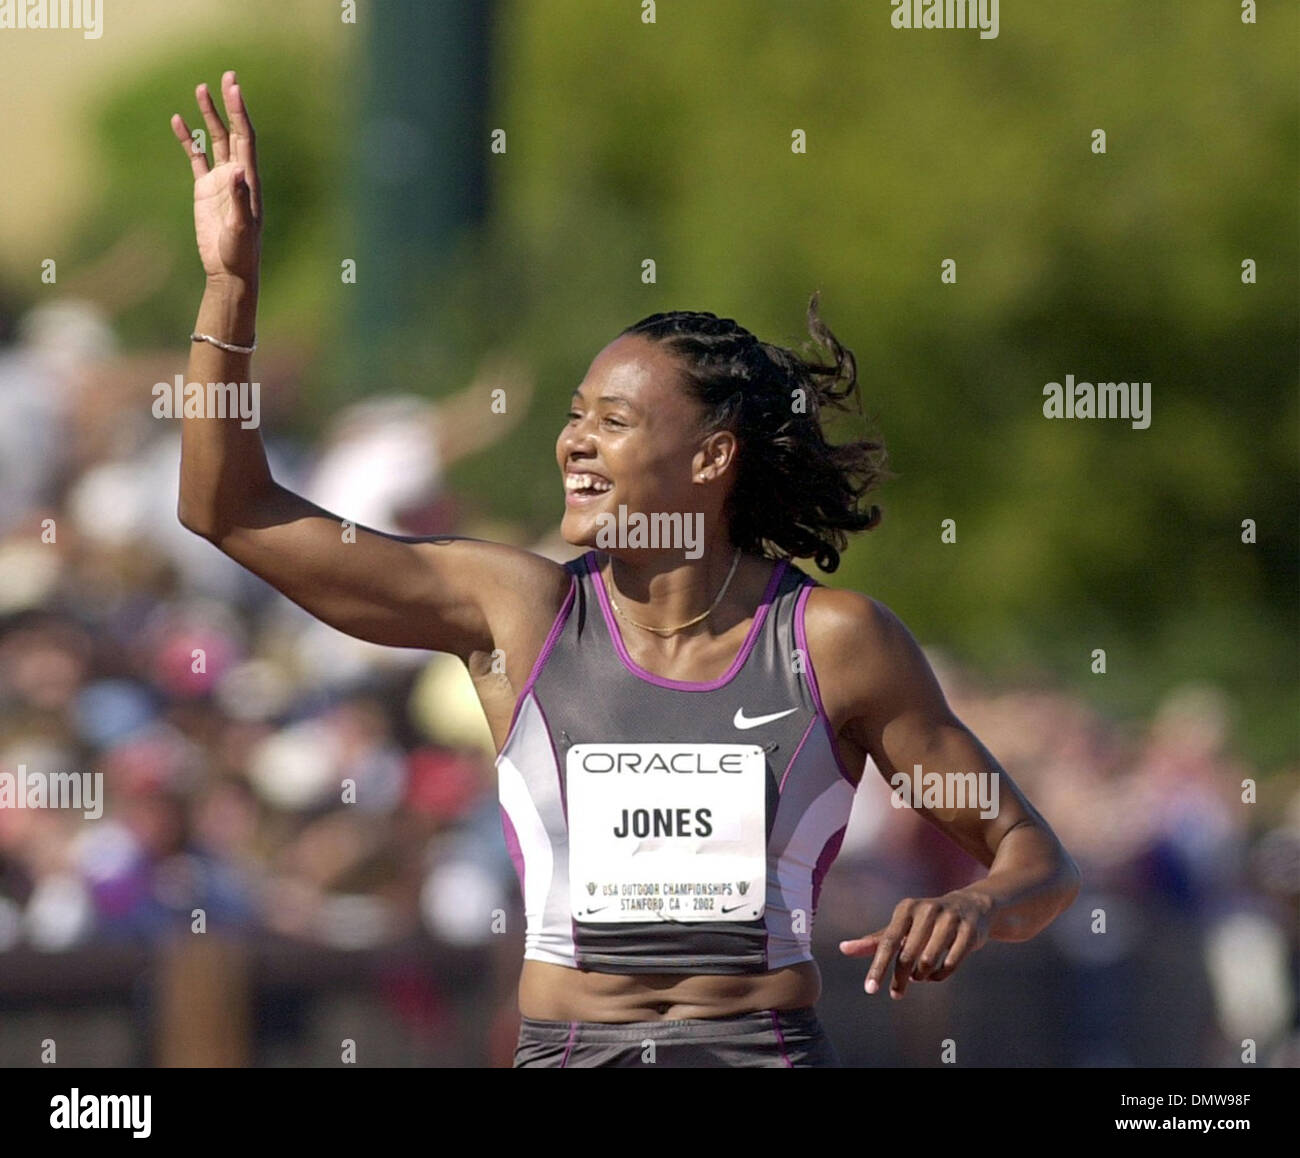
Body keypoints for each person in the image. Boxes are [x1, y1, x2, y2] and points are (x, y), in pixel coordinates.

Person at [170, 71, 1082, 1069]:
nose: (573, 445)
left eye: (613, 421)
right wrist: (230, 289)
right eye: (573, 415)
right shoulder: (515, 612)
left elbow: (1036, 861)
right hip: (568, 1051)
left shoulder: (833, 644)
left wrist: (974, 907)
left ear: (711, 457)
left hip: (761, 1051)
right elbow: (230, 511)